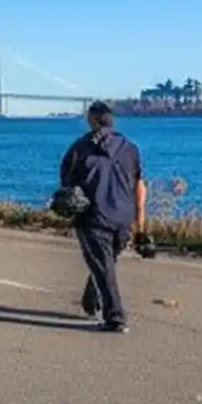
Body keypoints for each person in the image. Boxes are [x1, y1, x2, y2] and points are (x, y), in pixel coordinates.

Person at [59, 101, 146, 333]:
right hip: (123, 216)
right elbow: (139, 186)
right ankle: (91, 300)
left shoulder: (80, 148)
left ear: (92, 120)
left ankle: (115, 316)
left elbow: (66, 183)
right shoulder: (130, 148)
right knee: (104, 263)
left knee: (102, 265)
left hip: (94, 215)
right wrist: (140, 222)